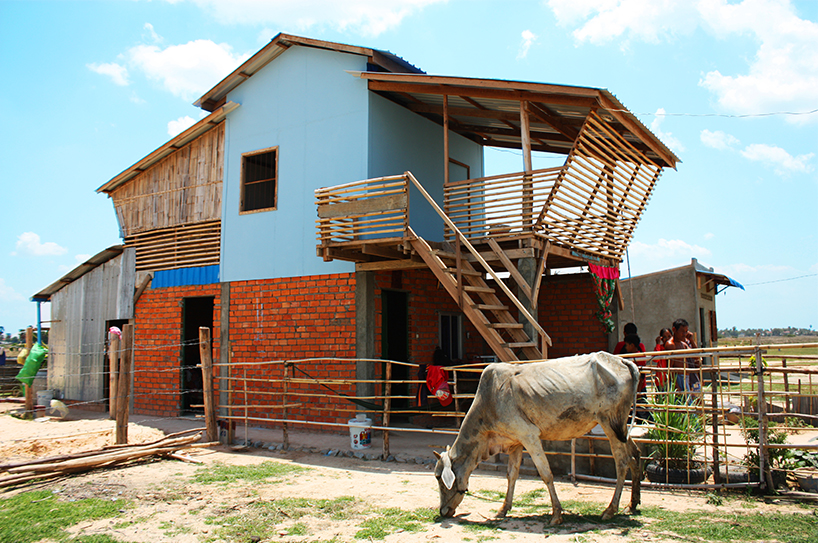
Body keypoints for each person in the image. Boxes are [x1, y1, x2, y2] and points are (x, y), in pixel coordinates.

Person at [664, 318, 700, 398]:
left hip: (685, 377)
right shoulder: (671, 345)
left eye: (686, 331)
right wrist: (676, 386)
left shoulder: (683, 344)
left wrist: (691, 340)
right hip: (677, 378)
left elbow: (696, 356)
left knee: (688, 402)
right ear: (674, 330)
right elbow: (670, 368)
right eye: (682, 331)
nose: (684, 334)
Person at [622, 333, 651, 422]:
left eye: (627, 345)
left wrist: (638, 390)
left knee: (642, 409)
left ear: (632, 345)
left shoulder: (639, 356)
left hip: (639, 387)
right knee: (634, 408)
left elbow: (641, 375)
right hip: (634, 387)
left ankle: (650, 423)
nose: (626, 347)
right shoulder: (632, 356)